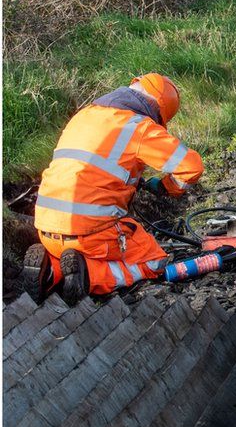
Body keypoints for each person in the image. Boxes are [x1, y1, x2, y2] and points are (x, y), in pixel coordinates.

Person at [20, 73, 204, 304]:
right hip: (91, 234)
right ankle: (90, 276)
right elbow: (191, 167)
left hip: (46, 227)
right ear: (160, 112)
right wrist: (168, 187)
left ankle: (52, 271)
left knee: (74, 251)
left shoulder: (83, 116)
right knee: (154, 261)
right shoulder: (140, 127)